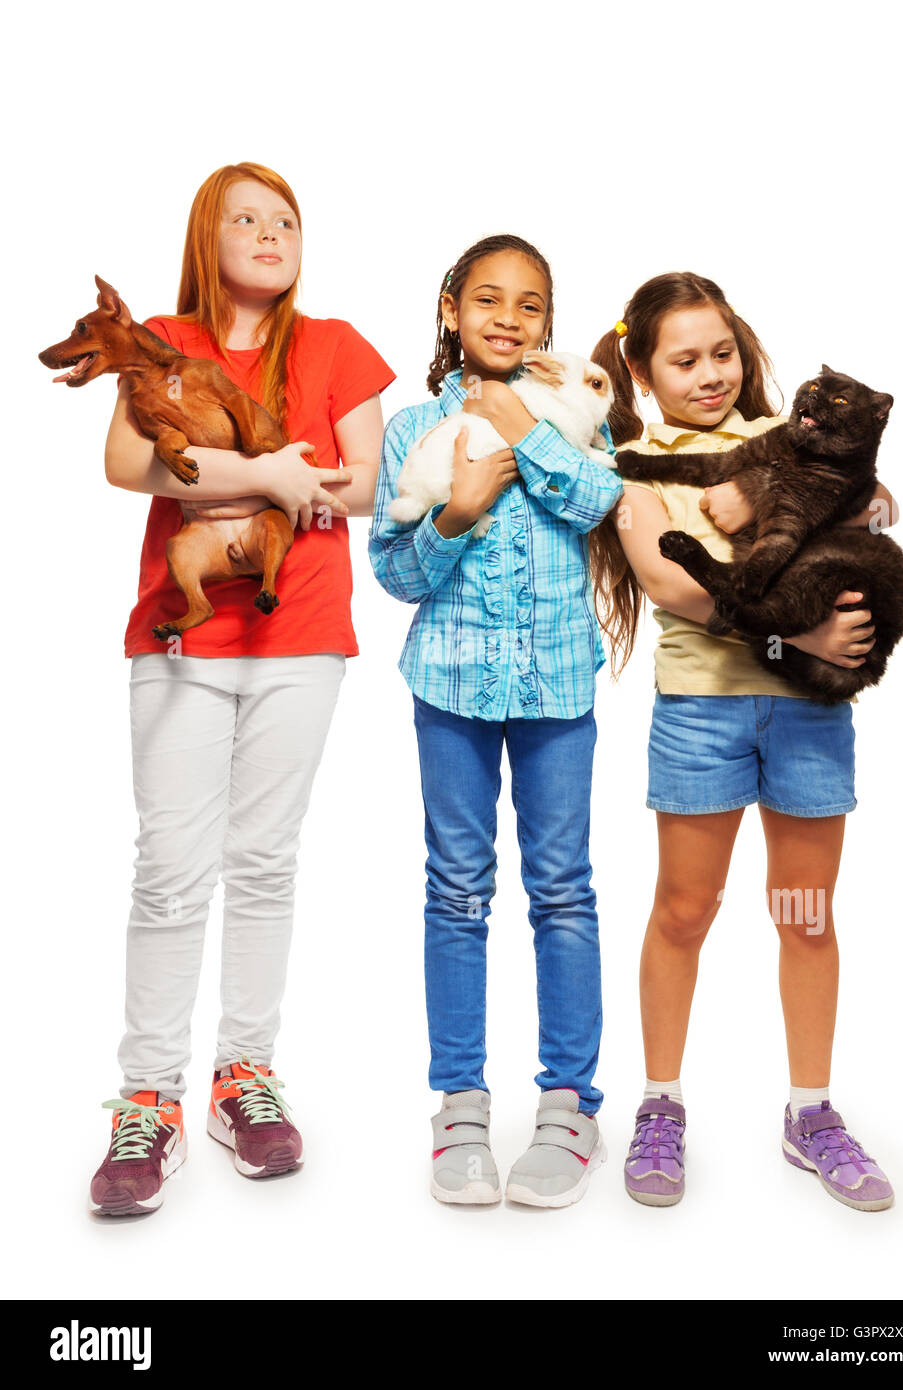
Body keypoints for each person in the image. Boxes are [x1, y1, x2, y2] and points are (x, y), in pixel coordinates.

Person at [89, 162, 395, 1216]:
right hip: (177, 639)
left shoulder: (335, 345)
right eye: (245, 219)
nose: (270, 233)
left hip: (299, 632)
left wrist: (256, 479)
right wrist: (270, 474)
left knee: (263, 861)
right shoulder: (163, 340)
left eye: (286, 219)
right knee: (170, 866)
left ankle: (244, 1077)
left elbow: (368, 483)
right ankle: (146, 1095)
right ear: (204, 239)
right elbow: (130, 462)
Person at [590, 271, 897, 1212]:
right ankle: (660, 1104)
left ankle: (811, 1114)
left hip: (807, 715)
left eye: (721, 352)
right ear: (642, 370)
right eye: (683, 361)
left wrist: (873, 500)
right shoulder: (637, 470)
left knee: (804, 913)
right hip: (702, 714)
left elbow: (860, 503)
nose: (709, 374)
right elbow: (676, 589)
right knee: (685, 910)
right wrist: (792, 635)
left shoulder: (781, 448)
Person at [368, 234, 623, 1208]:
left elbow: (598, 500)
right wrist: (454, 512)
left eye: (527, 304)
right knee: (455, 889)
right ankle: (461, 1107)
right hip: (450, 688)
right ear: (450, 311)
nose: (507, 317)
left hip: (557, 687)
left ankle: (566, 1103)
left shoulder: (567, 413)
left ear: (545, 325)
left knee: (562, 888)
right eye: (487, 298)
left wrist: (523, 430)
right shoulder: (409, 427)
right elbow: (391, 574)